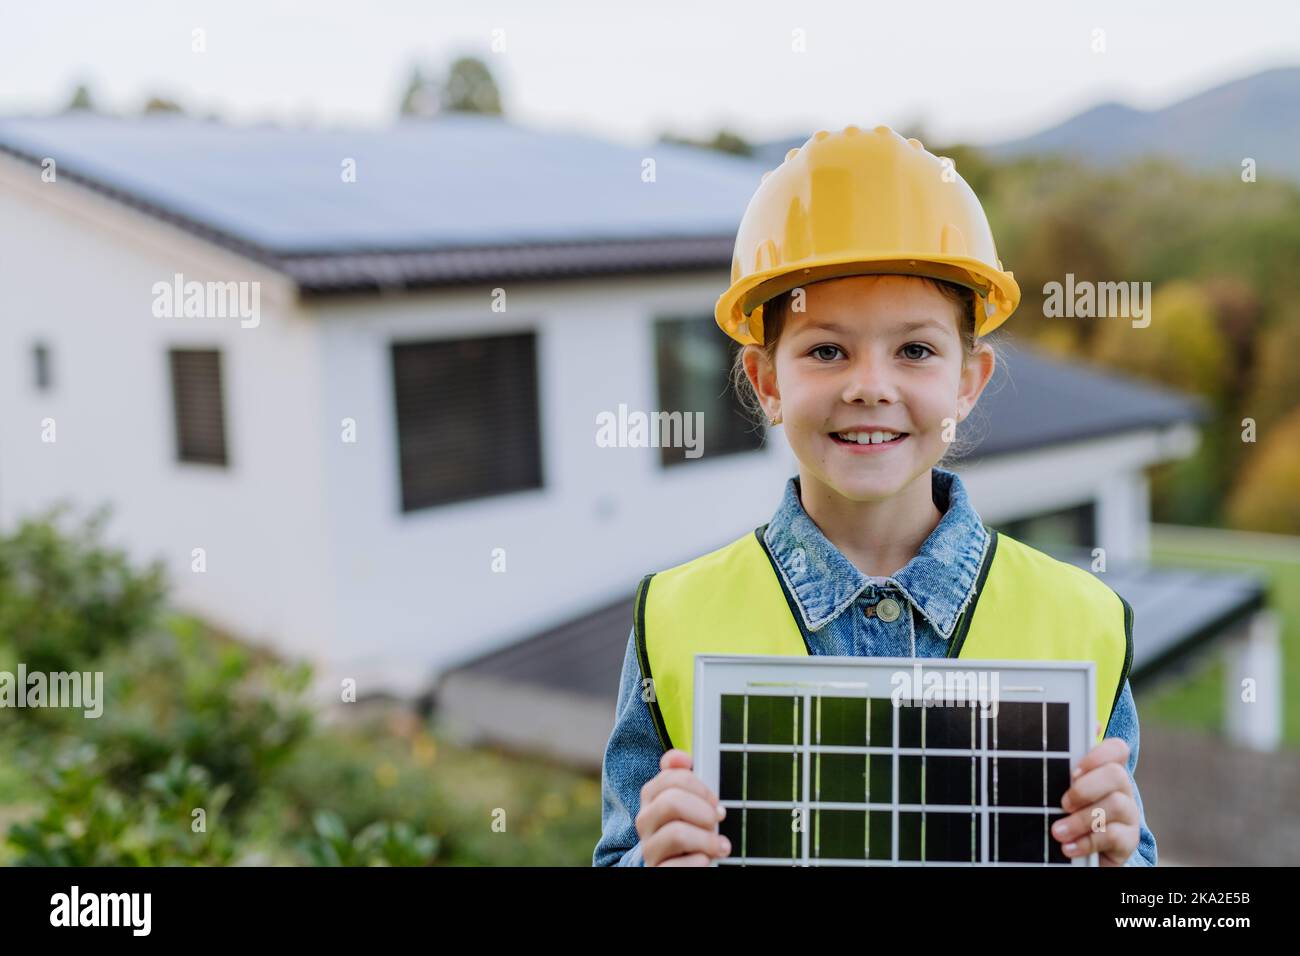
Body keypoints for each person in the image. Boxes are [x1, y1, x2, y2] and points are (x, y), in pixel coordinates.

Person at [593, 125, 1157, 867]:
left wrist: (1117, 861)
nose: (869, 386)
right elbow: (618, 855)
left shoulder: (1086, 623)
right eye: (826, 350)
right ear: (767, 383)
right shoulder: (669, 618)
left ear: (967, 381)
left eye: (915, 350)